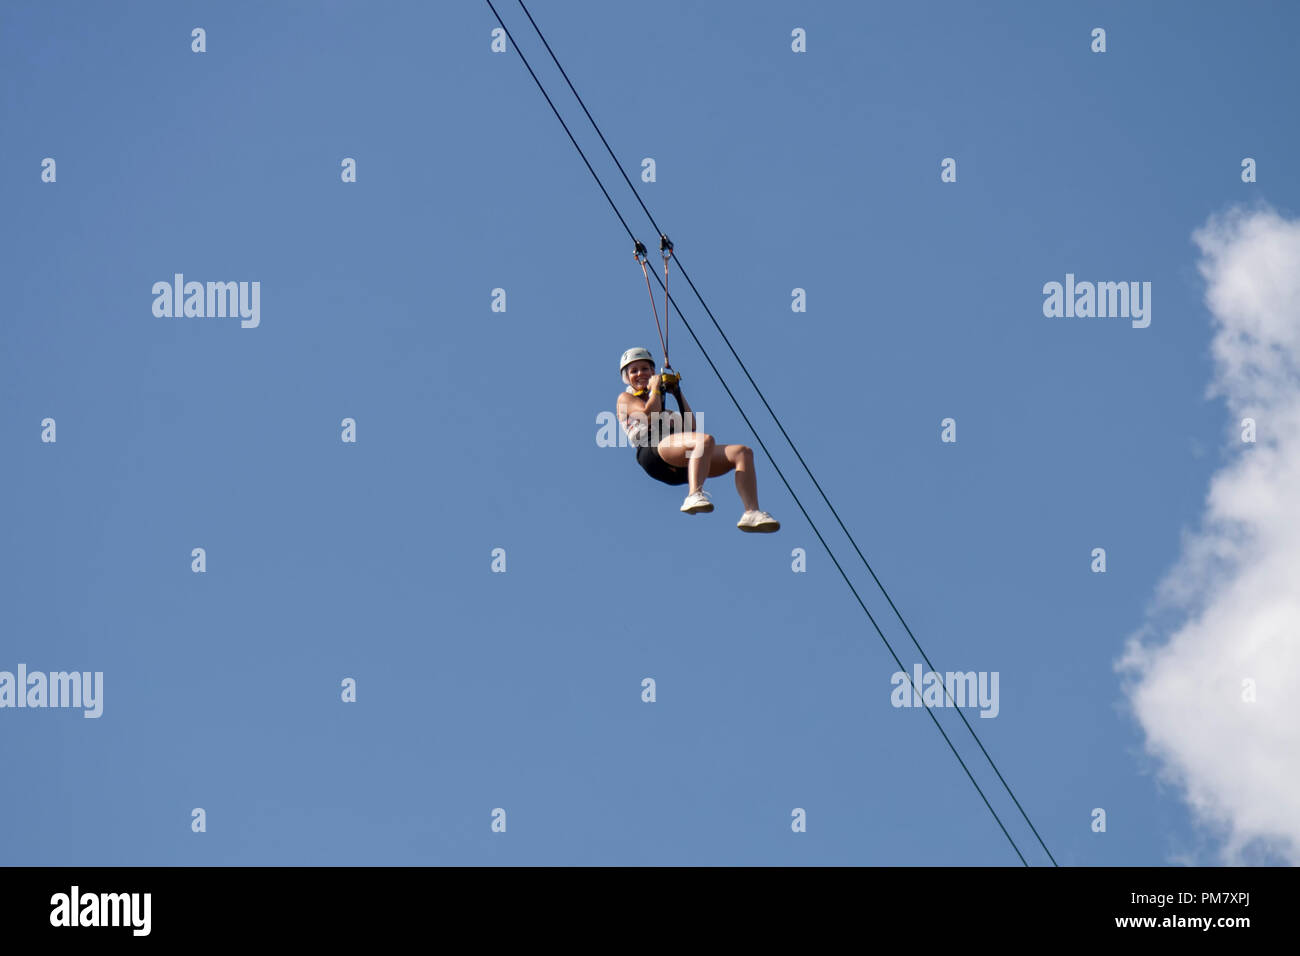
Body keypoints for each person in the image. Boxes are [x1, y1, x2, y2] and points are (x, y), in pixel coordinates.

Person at [615, 347, 780, 532]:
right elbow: (648, 414)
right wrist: (655, 389)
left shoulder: (663, 407)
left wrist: (677, 393)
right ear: (627, 377)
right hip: (653, 452)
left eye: (645, 368)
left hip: (680, 462)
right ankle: (694, 495)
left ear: (653, 371)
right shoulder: (626, 399)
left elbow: (691, 426)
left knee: (742, 453)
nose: (640, 373)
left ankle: (751, 512)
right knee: (703, 441)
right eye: (634, 371)